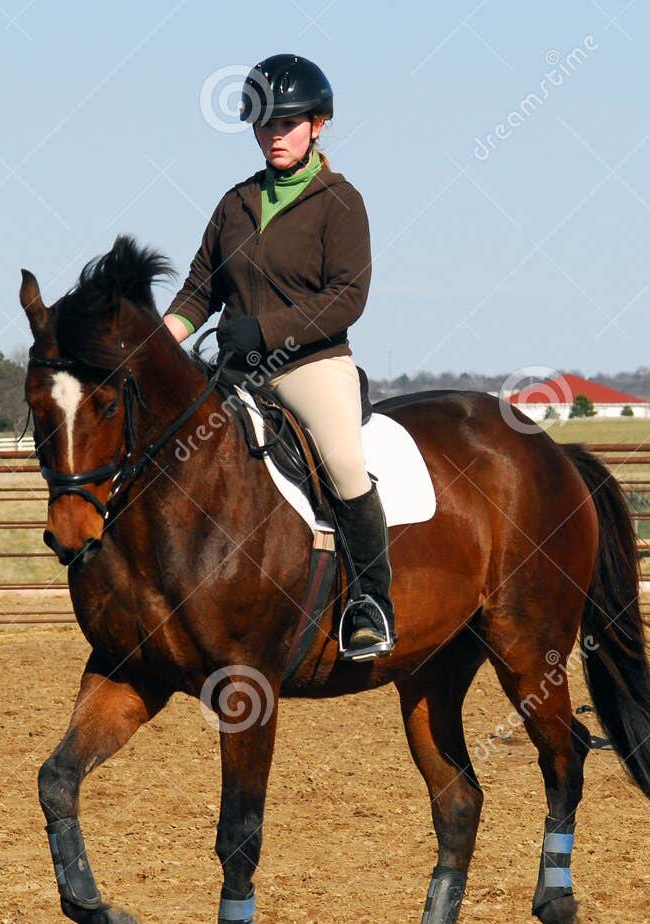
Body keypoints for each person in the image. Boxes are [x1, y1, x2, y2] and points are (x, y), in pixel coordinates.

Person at [164, 53, 394, 661]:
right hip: (236, 370)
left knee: (344, 461)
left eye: (287, 124)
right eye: (264, 124)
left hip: (311, 367)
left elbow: (347, 298)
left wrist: (265, 331)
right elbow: (197, 292)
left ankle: (371, 603)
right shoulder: (234, 203)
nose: (274, 136)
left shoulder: (340, 202)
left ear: (318, 125)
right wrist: (157, 346)